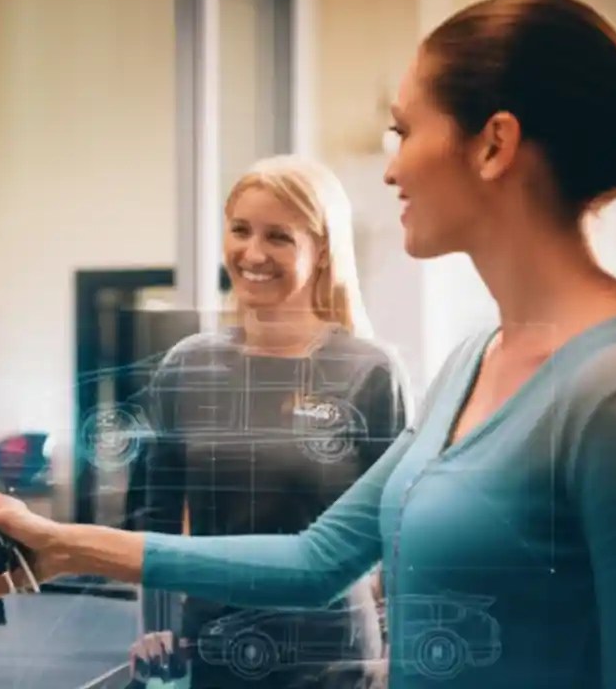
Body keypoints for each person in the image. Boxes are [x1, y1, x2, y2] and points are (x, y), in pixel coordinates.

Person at [0, 0, 616, 689]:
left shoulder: (604, 391)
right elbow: (316, 561)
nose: (391, 169)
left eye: (404, 132)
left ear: (493, 145)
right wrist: (61, 545)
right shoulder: (470, 364)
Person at [128, 155, 408, 688]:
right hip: (210, 646)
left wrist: (402, 648)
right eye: (240, 230)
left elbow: (400, 530)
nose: (252, 253)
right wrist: (157, 626)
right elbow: (155, 512)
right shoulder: (188, 365)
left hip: (333, 657)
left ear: (321, 248)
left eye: (279, 236)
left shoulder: (369, 370)